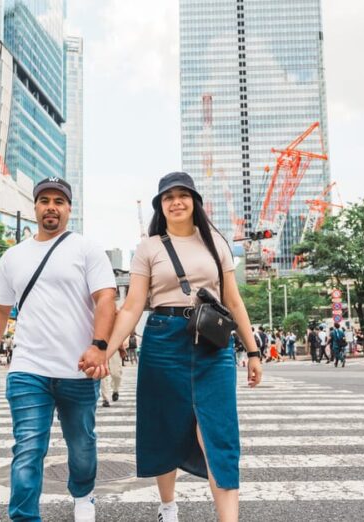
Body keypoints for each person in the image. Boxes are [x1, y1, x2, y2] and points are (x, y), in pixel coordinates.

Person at [83, 172, 263, 522]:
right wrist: (104, 349)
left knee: (219, 432)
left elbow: (234, 301)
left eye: (183, 195)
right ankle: (168, 507)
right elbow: (133, 305)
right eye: (169, 197)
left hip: (212, 344)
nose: (176, 202)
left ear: (195, 202)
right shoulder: (149, 247)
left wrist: (253, 352)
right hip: (163, 339)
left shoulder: (216, 243)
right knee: (163, 425)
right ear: (160, 205)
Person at [0, 177, 117, 522]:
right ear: (36, 207)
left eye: (58, 201)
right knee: (27, 449)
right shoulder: (13, 257)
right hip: (28, 369)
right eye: (44, 200)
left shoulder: (87, 250)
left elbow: (106, 299)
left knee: (81, 446)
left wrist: (99, 346)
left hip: (78, 370)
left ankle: (83, 496)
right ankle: (24, 517)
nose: (51, 206)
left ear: (69, 209)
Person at [100, 336, 126, 407]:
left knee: (116, 374)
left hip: (114, 346)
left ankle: (115, 390)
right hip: (100, 347)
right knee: (103, 374)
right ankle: (105, 399)